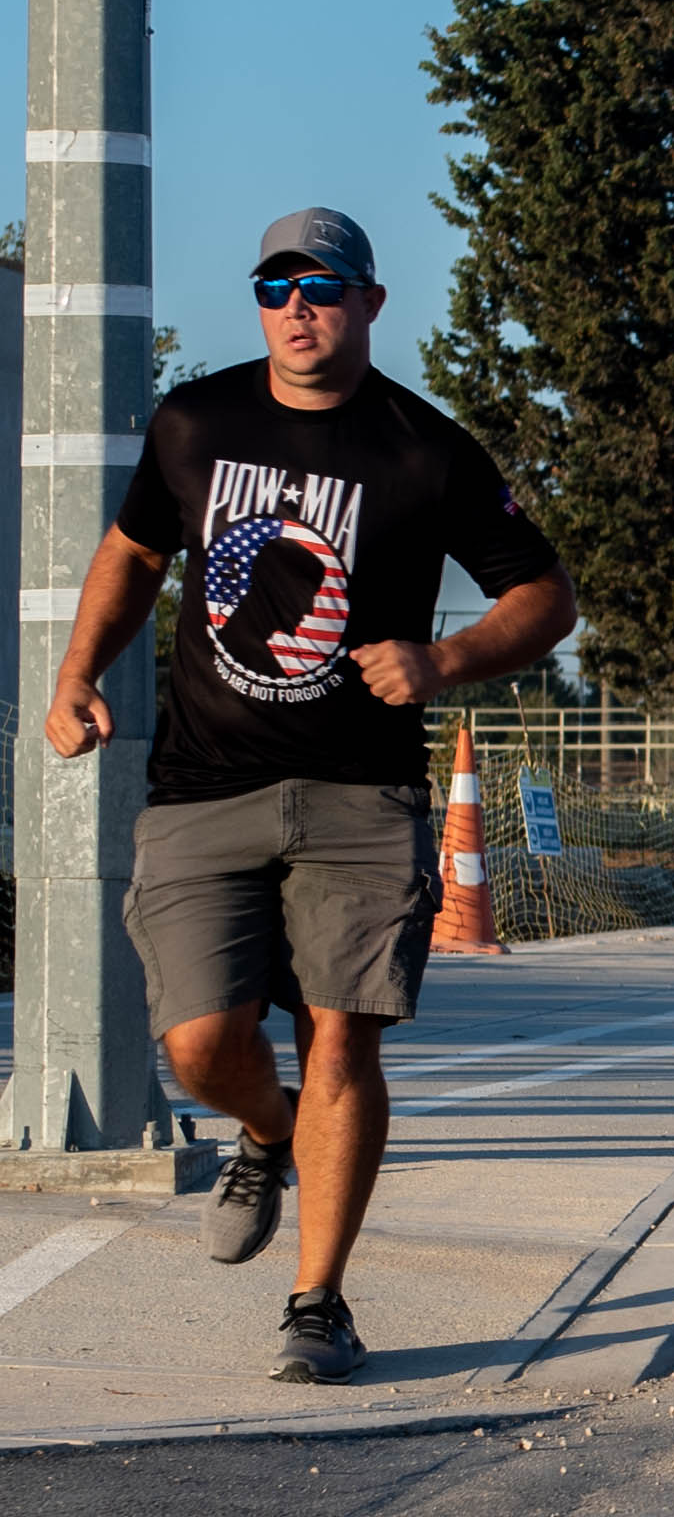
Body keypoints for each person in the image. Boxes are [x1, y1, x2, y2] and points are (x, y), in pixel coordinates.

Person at [43, 208, 577, 1383]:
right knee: (198, 1046)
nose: (296, 309)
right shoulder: (196, 422)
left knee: (342, 1041)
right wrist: (78, 673)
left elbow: (546, 595)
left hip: (360, 797)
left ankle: (318, 1302)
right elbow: (135, 551)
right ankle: (268, 1128)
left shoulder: (425, 451)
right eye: (275, 288)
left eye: (322, 287)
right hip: (203, 787)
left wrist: (444, 659)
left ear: (369, 303)